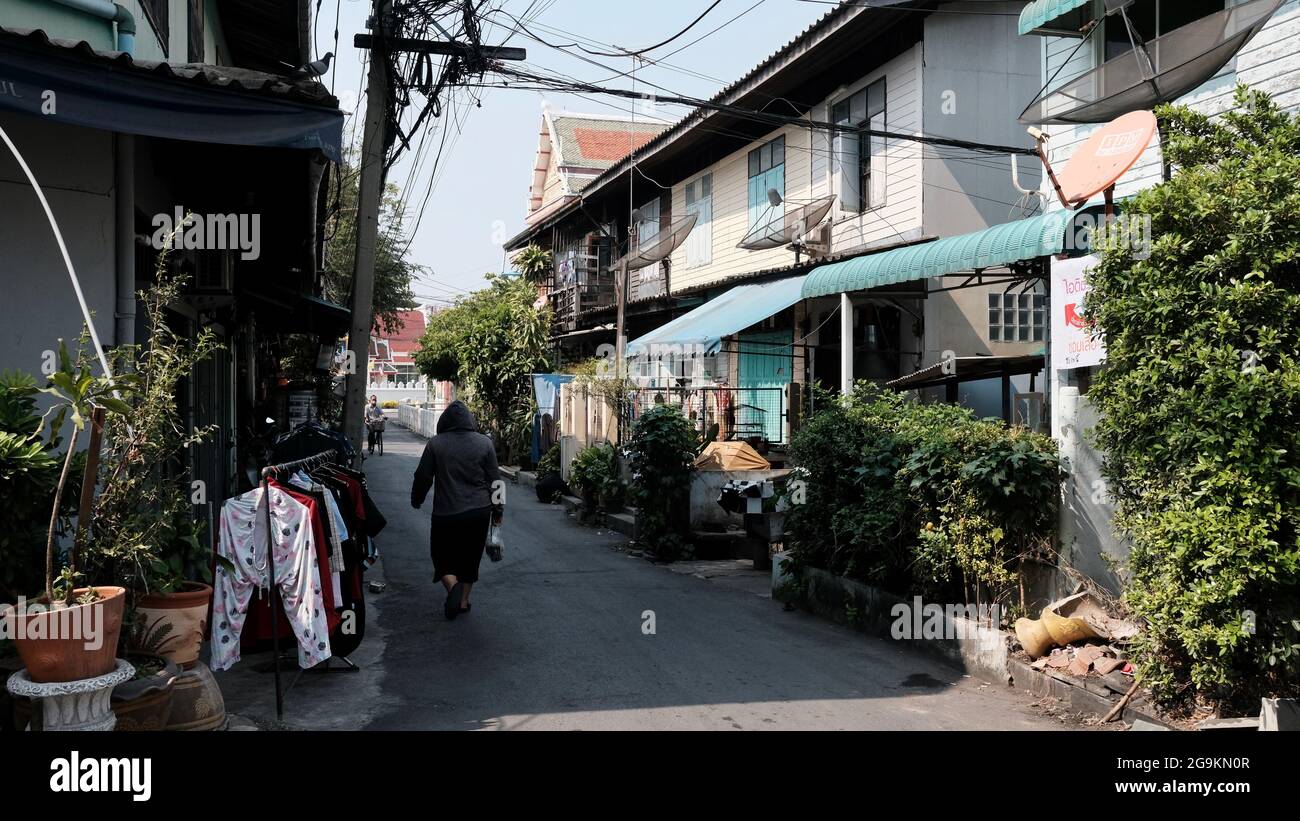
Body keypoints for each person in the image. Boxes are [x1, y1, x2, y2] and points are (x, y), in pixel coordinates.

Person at [410, 401, 503, 620]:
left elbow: (423, 476)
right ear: (470, 421)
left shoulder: (436, 444)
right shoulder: (485, 443)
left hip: (446, 512)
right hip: (479, 512)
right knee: (470, 558)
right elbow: (496, 481)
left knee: (441, 556)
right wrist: (498, 511)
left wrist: (417, 499)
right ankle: (462, 602)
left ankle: (453, 588)